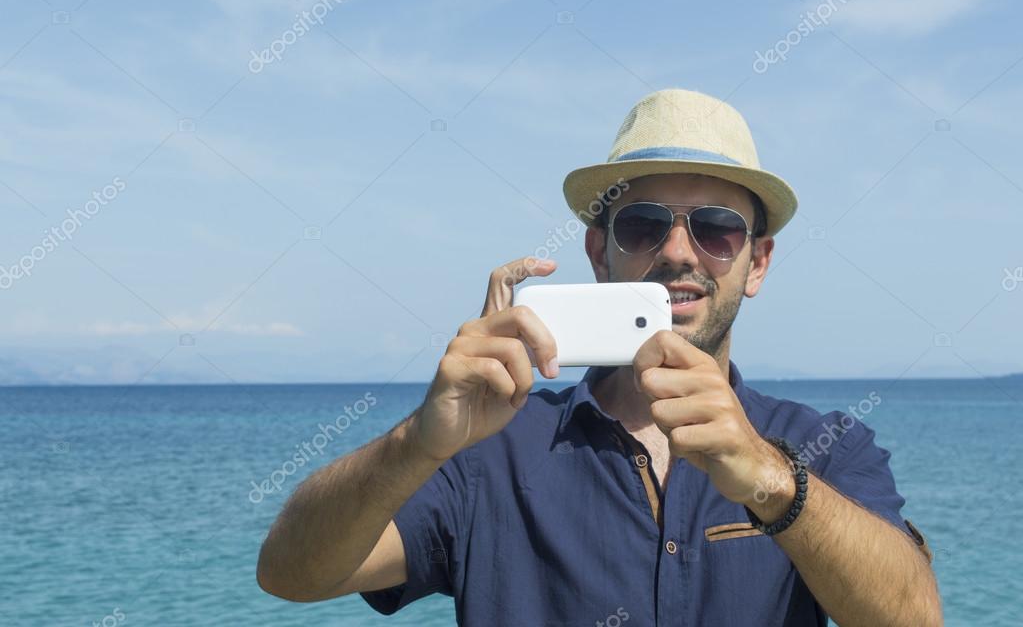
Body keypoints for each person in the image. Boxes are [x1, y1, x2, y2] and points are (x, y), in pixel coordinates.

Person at [256, 89, 942, 625]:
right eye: (643, 224)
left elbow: (914, 619)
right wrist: (417, 442)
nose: (677, 252)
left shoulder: (823, 449)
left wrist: (769, 479)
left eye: (716, 228)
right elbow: (291, 575)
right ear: (598, 252)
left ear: (755, 263)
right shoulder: (486, 451)